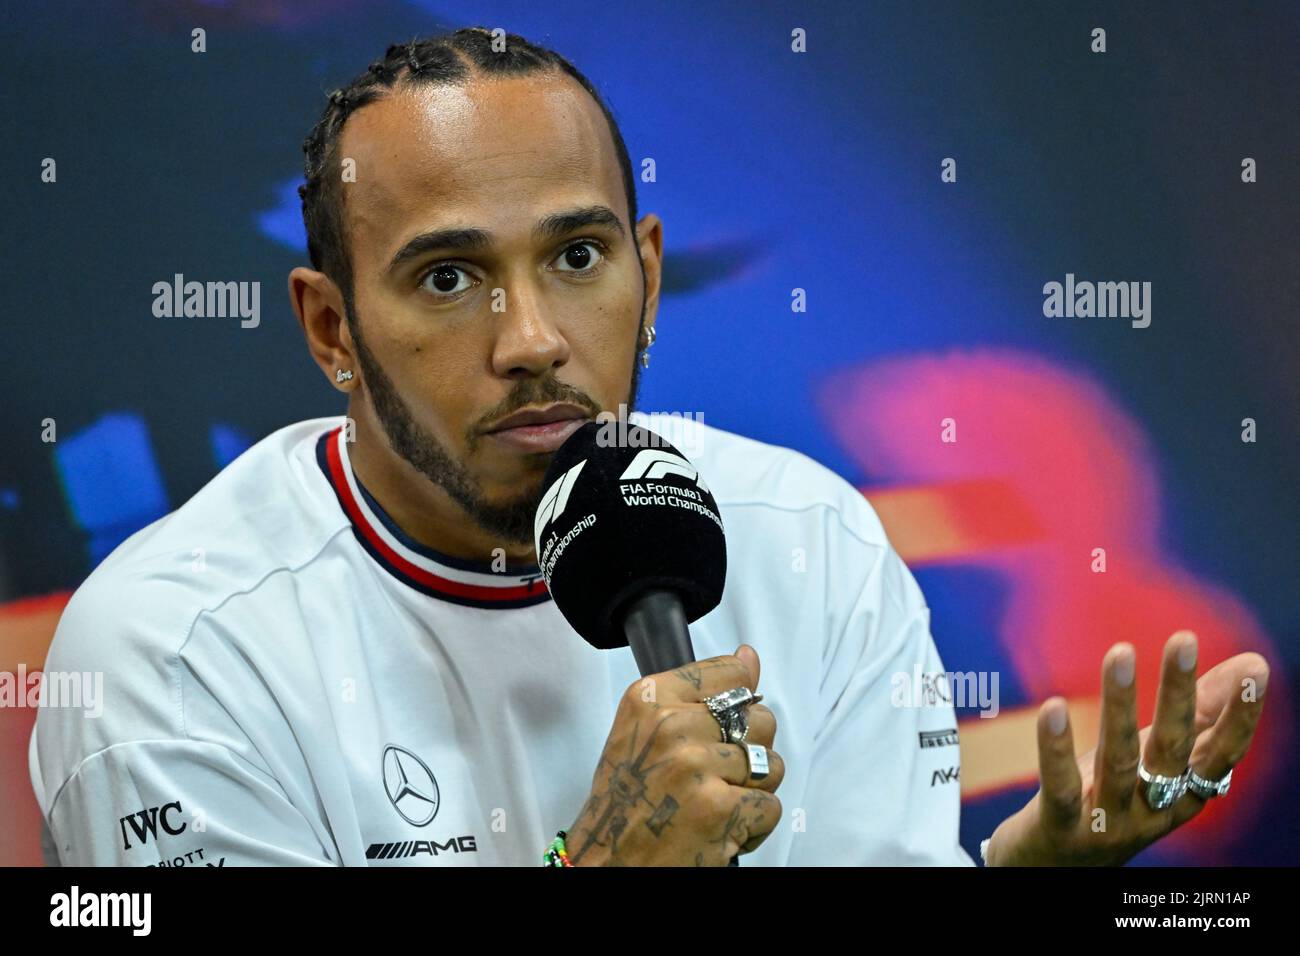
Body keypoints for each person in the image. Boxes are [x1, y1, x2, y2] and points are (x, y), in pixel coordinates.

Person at [29, 27, 1267, 867]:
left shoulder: (811, 538)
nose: (532, 341)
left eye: (577, 257)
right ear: (330, 329)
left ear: (651, 272)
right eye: (449, 275)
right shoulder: (169, 654)